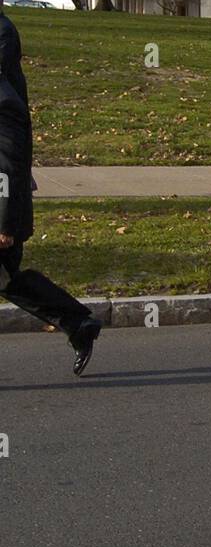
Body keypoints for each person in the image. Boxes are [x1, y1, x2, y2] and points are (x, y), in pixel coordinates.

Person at [0, 53, 101, 377]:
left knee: (11, 279)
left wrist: (5, 224)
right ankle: (78, 323)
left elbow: (9, 168)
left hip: (4, 213)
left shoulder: (4, 104)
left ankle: (78, 322)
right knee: (12, 281)